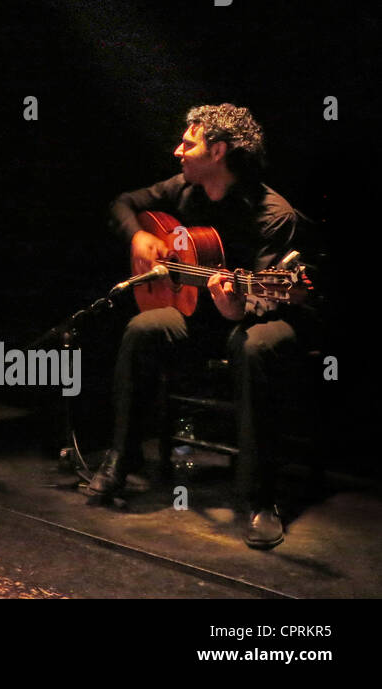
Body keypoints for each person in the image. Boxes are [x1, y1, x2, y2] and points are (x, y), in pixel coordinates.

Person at [86, 104, 314, 550]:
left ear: (219, 152)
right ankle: (122, 458)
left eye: (188, 144)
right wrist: (138, 234)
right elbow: (124, 203)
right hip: (203, 315)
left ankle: (260, 500)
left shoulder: (272, 215)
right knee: (142, 328)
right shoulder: (186, 190)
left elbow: (269, 299)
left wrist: (233, 307)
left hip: (270, 316)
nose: (178, 151)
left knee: (252, 347)